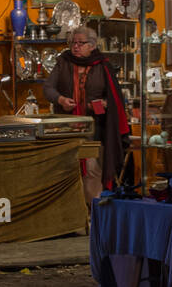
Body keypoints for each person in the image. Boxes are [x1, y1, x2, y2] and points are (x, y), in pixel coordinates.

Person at [43, 26, 132, 203]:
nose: (75, 47)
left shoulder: (103, 66)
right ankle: (74, 213)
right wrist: (61, 100)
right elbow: (48, 88)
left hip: (95, 129)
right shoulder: (63, 62)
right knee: (68, 170)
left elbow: (114, 99)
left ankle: (94, 211)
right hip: (66, 128)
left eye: (80, 43)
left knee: (92, 169)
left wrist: (102, 104)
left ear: (91, 45)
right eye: (73, 43)